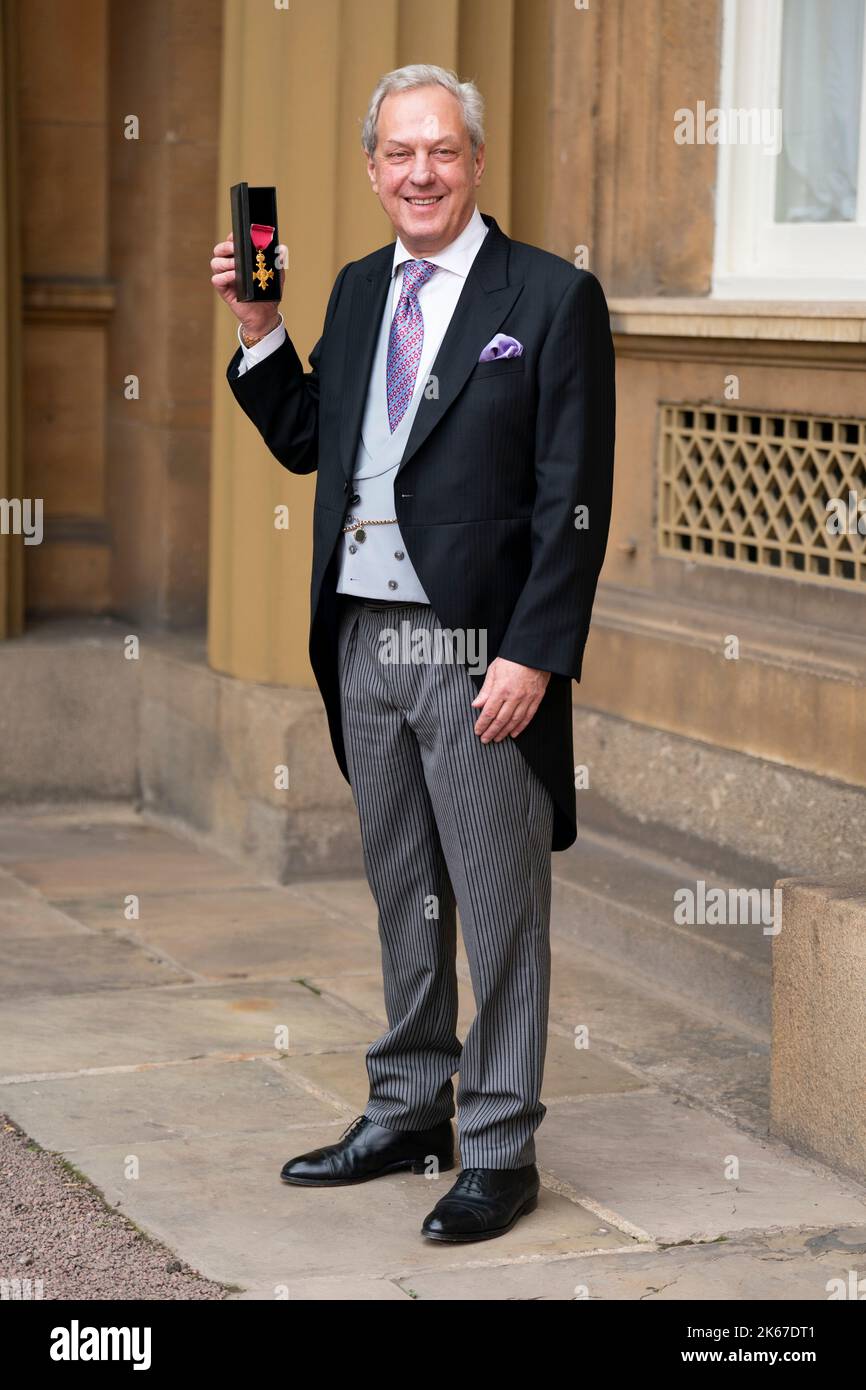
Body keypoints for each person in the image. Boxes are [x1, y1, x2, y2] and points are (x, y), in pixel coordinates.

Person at [211, 63, 615, 1244]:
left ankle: (497, 1148)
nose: (420, 171)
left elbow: (570, 497)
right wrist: (259, 330)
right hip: (361, 642)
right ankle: (406, 1110)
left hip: (481, 653)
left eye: (441, 149)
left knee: (497, 913)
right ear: (372, 168)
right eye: (398, 153)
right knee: (404, 895)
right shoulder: (352, 288)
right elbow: (309, 440)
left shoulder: (548, 297)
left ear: (475, 162)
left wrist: (534, 653)